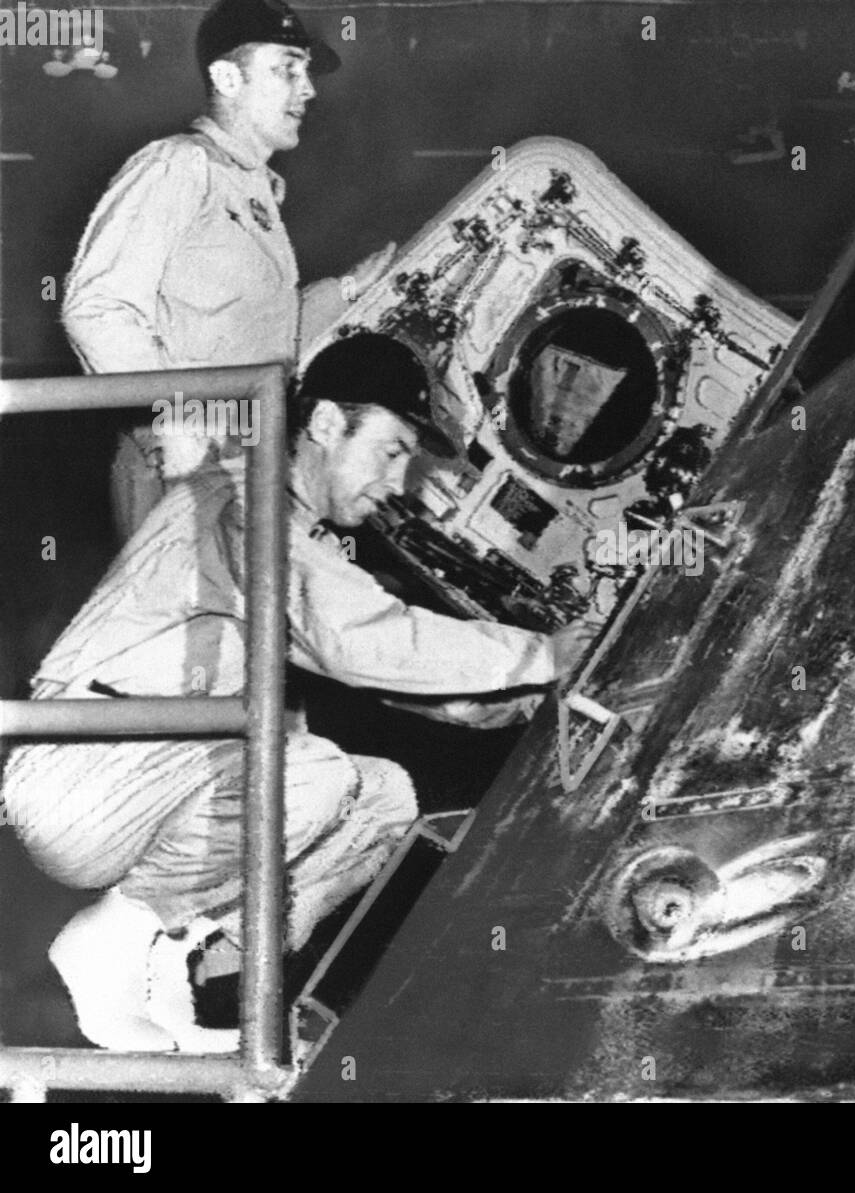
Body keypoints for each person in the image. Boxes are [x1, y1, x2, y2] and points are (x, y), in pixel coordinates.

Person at [0, 333, 594, 1053]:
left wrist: (487, 700)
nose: (399, 481)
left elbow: (354, 649)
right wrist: (542, 653)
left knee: (384, 796)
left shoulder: (279, 523)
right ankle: (108, 947)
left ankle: (201, 959)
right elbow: (359, 634)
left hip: (139, 772)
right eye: (393, 449)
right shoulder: (241, 498)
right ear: (324, 425)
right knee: (310, 772)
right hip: (75, 777)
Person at [61, 0, 395, 540]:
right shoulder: (179, 165)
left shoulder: (253, 188)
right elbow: (96, 309)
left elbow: (264, 337)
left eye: (305, 72)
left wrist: (353, 289)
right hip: (183, 464)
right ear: (226, 77)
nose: (306, 89)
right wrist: (178, 421)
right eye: (287, 69)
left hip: (242, 455)